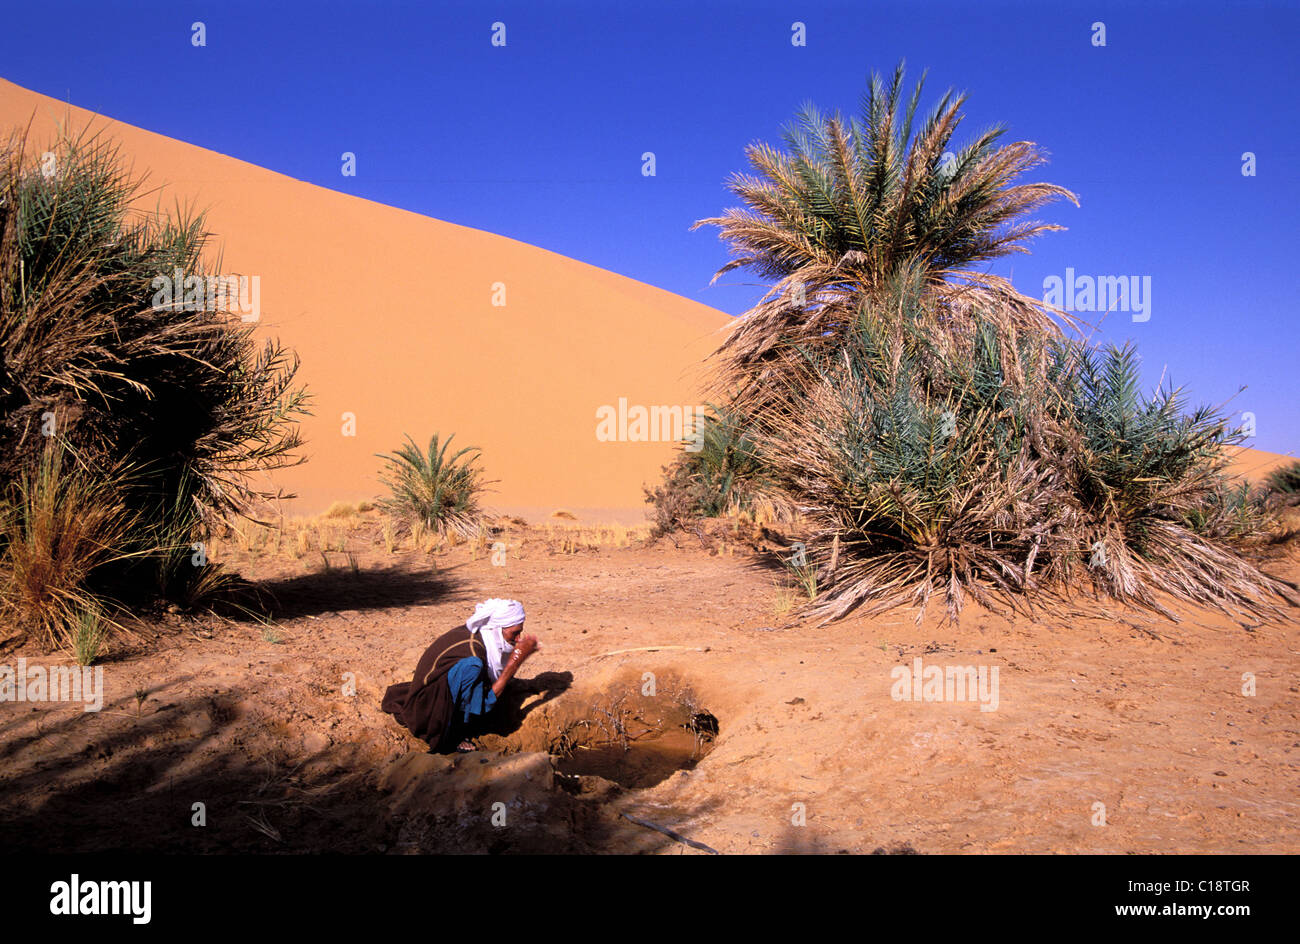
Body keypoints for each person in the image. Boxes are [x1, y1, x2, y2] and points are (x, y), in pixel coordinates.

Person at [382, 598, 540, 752]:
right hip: (430, 710)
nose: (518, 639)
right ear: (497, 629)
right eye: (515, 633)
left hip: (437, 686)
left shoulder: (480, 635)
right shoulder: (473, 662)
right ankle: (455, 734)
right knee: (484, 699)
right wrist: (514, 663)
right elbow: (483, 705)